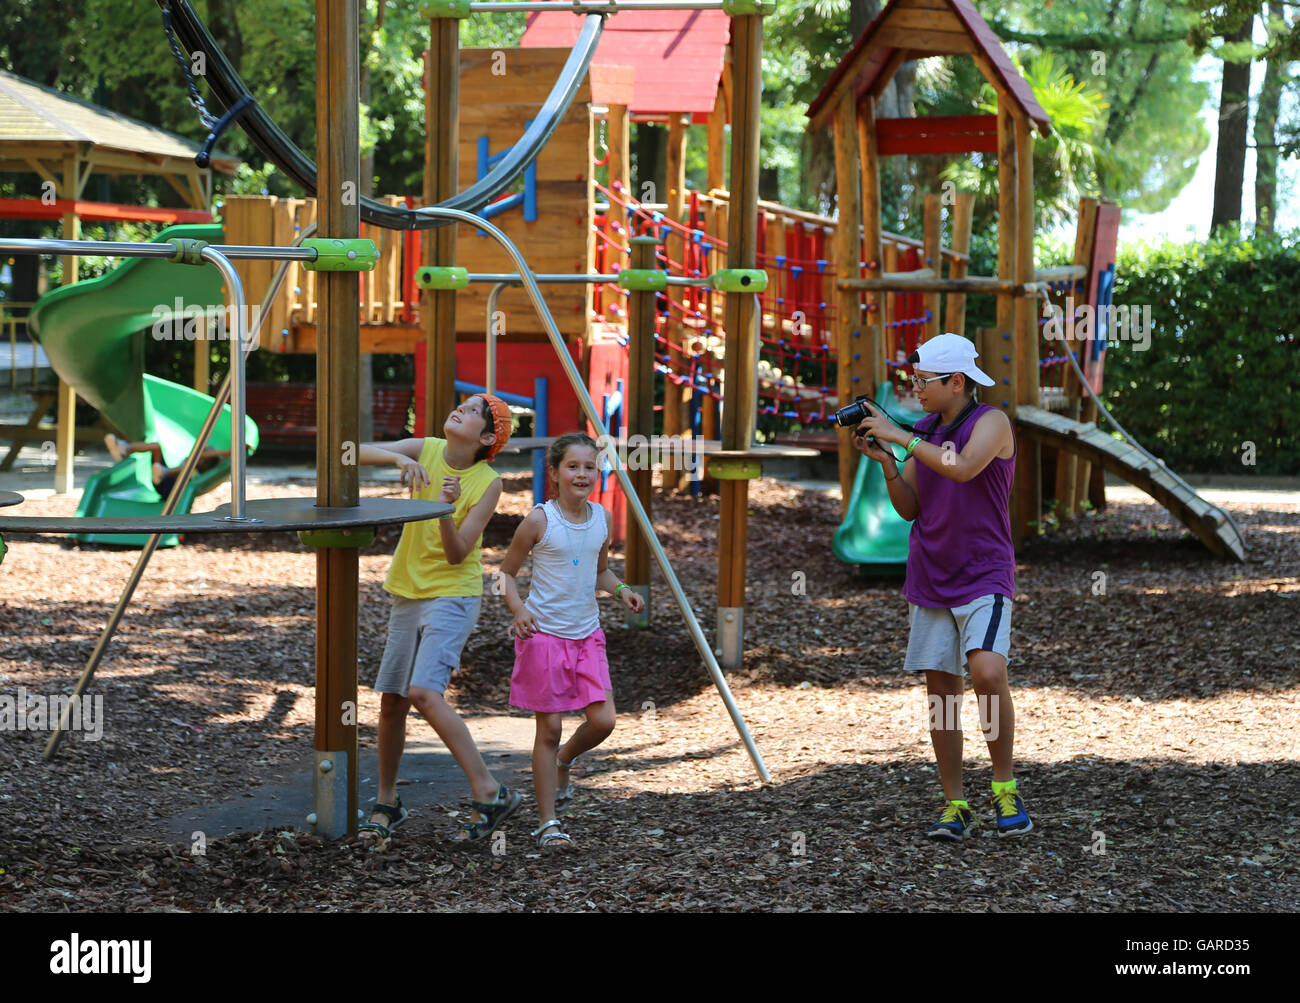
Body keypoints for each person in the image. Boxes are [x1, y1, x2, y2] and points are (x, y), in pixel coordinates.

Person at [854, 332, 1032, 840]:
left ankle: (1003, 788)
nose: (915, 390)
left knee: (988, 673)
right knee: (941, 695)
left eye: (923, 381)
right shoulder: (925, 430)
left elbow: (962, 467)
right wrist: (888, 461)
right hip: (931, 576)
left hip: (983, 573)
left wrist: (903, 437)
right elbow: (911, 508)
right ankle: (955, 802)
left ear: (957, 382)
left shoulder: (992, 423)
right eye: (913, 381)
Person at [356, 393, 522, 842]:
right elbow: (347, 453)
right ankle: (388, 802)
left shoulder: (488, 482)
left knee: (424, 693)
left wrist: (445, 509)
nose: (460, 410)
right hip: (408, 591)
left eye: (472, 412)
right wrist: (396, 459)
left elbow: (456, 553)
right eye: (462, 405)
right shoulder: (427, 448)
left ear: (487, 437)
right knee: (392, 700)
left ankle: (490, 791)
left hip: (453, 593)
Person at [496, 432, 644, 848]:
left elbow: (600, 572)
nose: (582, 474)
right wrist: (519, 609)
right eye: (573, 467)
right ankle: (548, 824)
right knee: (550, 729)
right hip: (544, 637)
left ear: (599, 472)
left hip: (587, 635)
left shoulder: (601, 519)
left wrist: (621, 590)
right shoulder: (539, 521)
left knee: (604, 721)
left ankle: (565, 761)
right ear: (555, 474)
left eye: (589, 467)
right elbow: (505, 574)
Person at [104, 433, 230, 499]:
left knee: (188, 468)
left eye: (206, 453)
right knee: (156, 447)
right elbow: (198, 456)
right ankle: (125, 449)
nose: (203, 454)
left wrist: (228, 452)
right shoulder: (191, 459)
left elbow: (225, 459)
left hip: (171, 490)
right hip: (161, 478)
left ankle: (165, 472)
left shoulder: (202, 475)